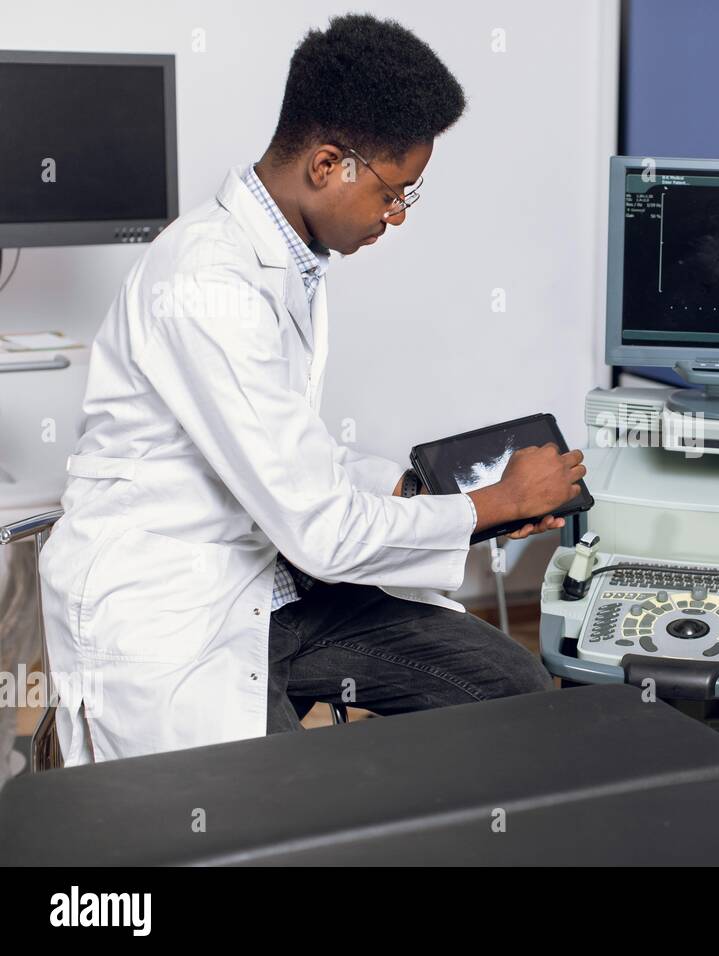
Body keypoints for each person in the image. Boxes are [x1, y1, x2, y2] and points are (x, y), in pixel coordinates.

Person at [39, 14, 582, 765]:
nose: (396, 217)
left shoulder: (287, 261)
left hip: (272, 582)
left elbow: (296, 456)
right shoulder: (207, 281)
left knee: (507, 684)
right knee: (272, 806)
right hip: (171, 608)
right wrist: (497, 502)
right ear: (328, 165)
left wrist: (417, 490)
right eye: (396, 194)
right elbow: (318, 527)